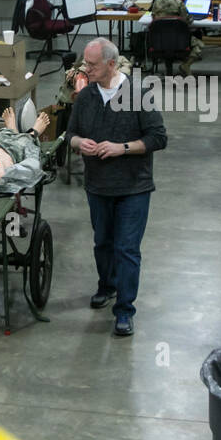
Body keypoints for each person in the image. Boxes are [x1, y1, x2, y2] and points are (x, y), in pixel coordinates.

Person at [66, 38, 167, 337]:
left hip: (133, 186)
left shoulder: (139, 93)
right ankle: (106, 286)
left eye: (93, 64)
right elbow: (70, 133)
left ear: (111, 64)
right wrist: (78, 143)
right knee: (103, 243)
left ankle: (124, 310)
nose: (87, 69)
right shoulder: (85, 97)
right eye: (85, 63)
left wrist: (122, 148)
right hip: (97, 185)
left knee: (126, 249)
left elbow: (158, 138)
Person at [149, 0, 203, 76]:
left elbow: (154, 19)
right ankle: (185, 65)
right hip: (178, 41)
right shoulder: (179, 3)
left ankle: (168, 70)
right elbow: (187, 21)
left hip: (160, 41)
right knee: (199, 45)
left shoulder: (157, 2)